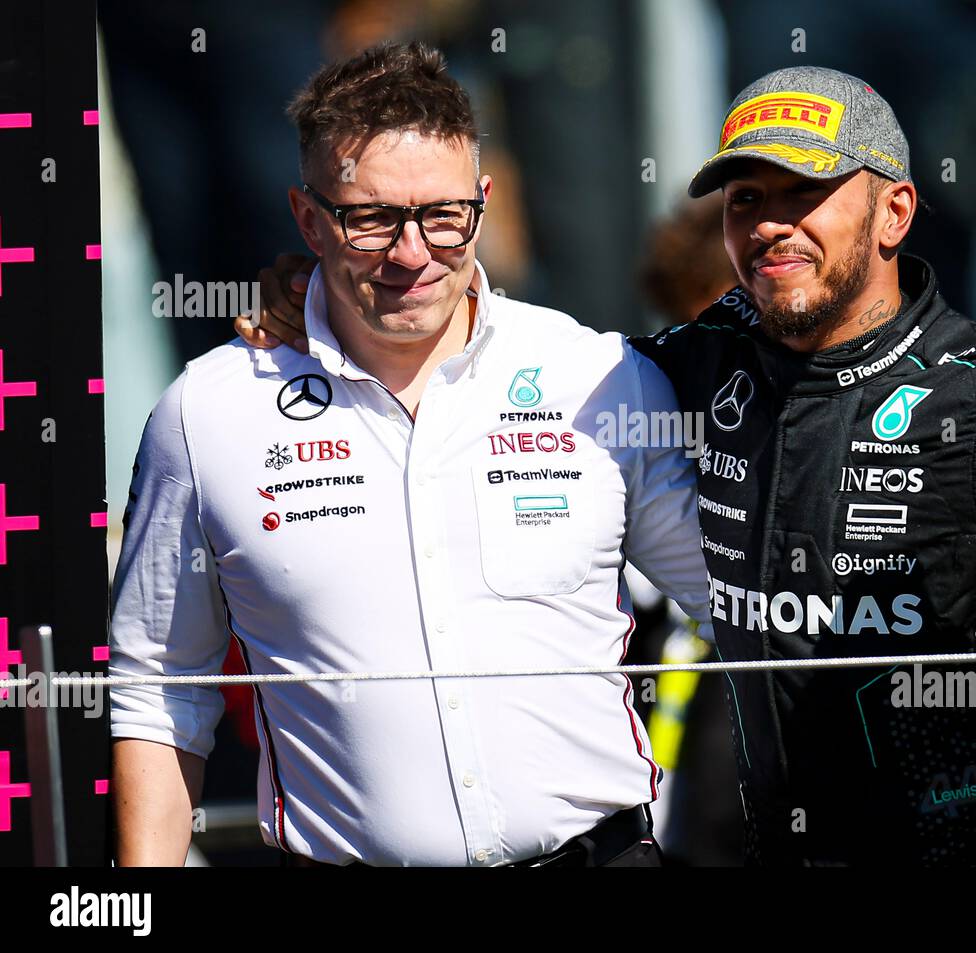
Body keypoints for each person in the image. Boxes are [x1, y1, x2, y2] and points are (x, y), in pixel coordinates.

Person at [237, 60, 976, 866]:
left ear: (896, 213)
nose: (769, 222)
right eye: (745, 197)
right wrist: (317, 294)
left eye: (806, 193)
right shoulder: (687, 366)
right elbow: (496, 375)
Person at [109, 42, 714, 867]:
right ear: (308, 218)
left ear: (484, 201)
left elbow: (744, 608)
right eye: (372, 219)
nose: (412, 253)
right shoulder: (206, 414)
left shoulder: (597, 375)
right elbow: (157, 693)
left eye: (443, 214)